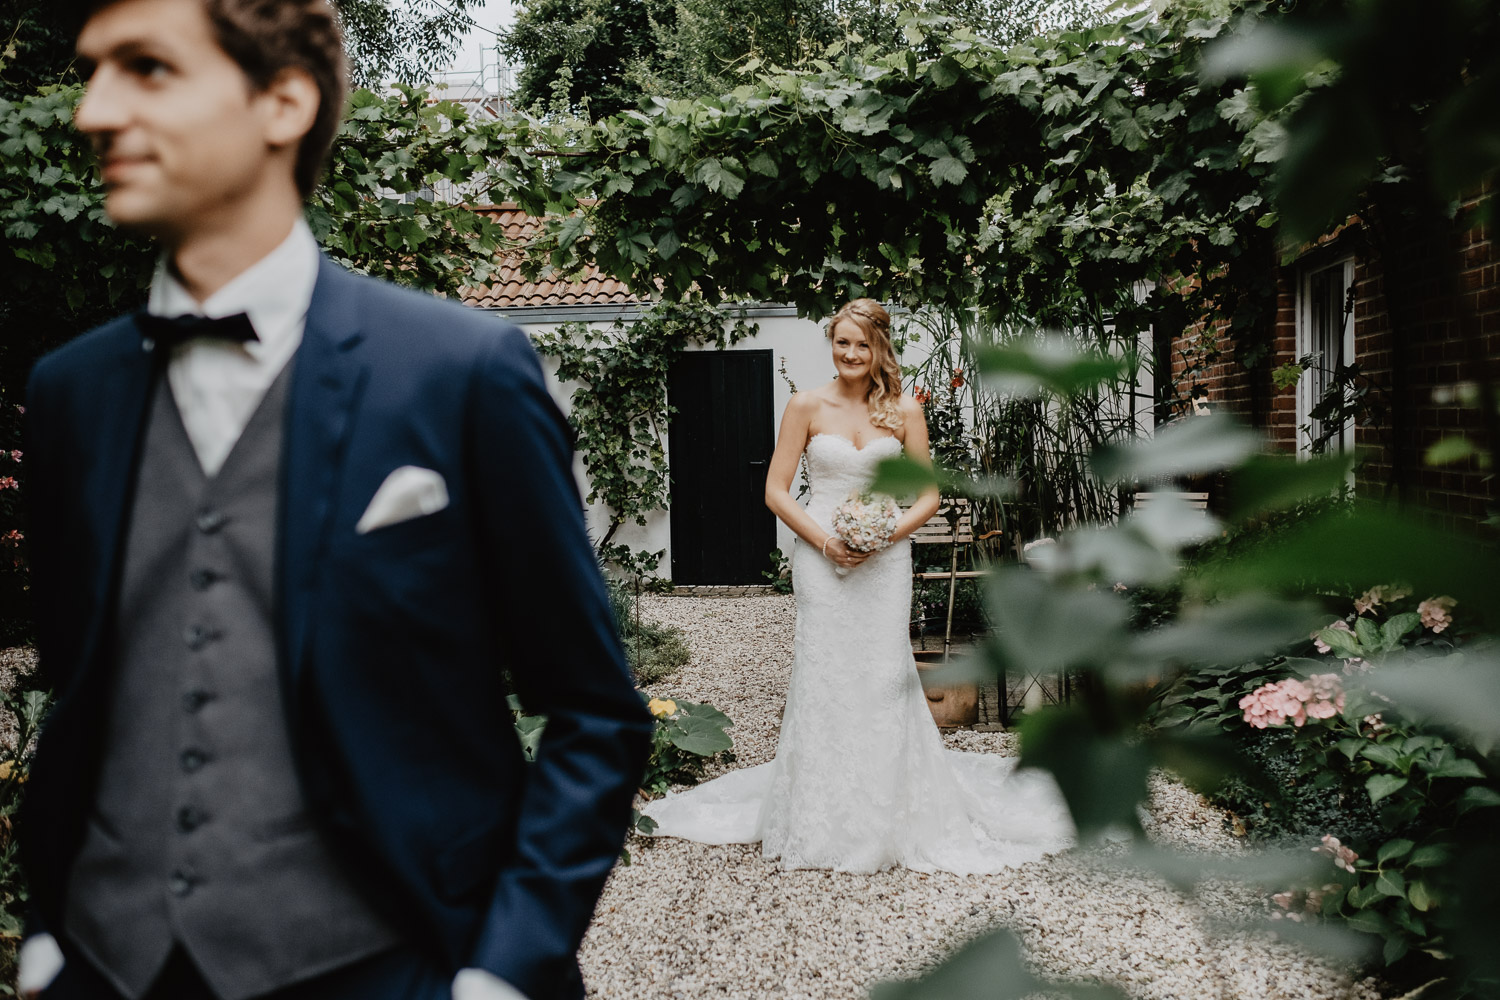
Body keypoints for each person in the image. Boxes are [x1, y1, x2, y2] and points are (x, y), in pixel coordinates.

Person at [18, 1, 652, 998]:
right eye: (91, 70)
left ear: (283, 101)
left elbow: (593, 709)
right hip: (106, 964)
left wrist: (501, 971)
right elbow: (82, 679)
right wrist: (48, 936)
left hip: (387, 962)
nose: (93, 110)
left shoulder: (461, 372)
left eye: (145, 69)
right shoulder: (69, 393)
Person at [642, 299, 1073, 873]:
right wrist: (826, 543)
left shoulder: (904, 410)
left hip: (885, 562)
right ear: (832, 344)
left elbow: (928, 497)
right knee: (824, 672)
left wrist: (884, 535)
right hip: (821, 560)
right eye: (842, 343)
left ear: (880, 350)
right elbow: (774, 491)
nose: (850, 354)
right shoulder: (805, 405)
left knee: (880, 673)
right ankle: (817, 811)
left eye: (862, 345)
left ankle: (889, 811)